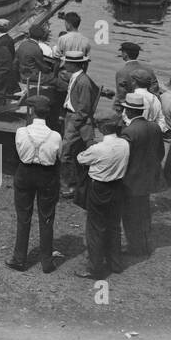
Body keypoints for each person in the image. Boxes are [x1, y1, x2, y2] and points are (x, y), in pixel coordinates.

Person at [7, 96, 62, 273]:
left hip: (25, 172)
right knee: (46, 218)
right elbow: (57, 158)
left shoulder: (21, 132)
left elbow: (17, 153)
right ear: (48, 113)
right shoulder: (55, 136)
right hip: (47, 175)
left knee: (23, 217)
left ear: (31, 111)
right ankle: (47, 262)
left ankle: (19, 259)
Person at [74, 118, 130, 280]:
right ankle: (115, 263)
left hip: (100, 187)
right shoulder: (125, 144)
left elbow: (80, 158)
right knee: (113, 225)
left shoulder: (98, 148)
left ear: (101, 129)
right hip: (118, 186)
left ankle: (94, 267)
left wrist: (89, 144)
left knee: (95, 228)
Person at [120, 90, 164, 258]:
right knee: (144, 212)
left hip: (131, 180)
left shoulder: (129, 132)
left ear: (129, 111)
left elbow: (124, 158)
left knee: (130, 215)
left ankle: (134, 247)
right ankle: (144, 244)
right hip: (148, 178)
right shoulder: (155, 127)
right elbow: (160, 153)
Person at [57, 48, 101, 200]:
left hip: (76, 120)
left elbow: (83, 109)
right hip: (71, 116)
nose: (64, 65)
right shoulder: (77, 77)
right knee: (71, 152)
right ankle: (71, 183)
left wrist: (73, 124)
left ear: (73, 65)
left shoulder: (83, 81)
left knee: (65, 152)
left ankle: (68, 186)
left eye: (67, 63)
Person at [114, 42, 151, 110]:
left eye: (122, 52)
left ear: (125, 54)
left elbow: (121, 95)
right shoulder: (148, 70)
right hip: (145, 106)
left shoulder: (121, 72)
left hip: (128, 108)